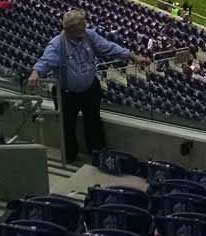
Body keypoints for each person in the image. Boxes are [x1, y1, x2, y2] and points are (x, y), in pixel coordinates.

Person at [27, 10, 139, 163]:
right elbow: (45, 61)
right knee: (67, 127)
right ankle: (70, 157)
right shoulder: (58, 44)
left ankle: (99, 156)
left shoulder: (89, 35)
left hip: (90, 89)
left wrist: (131, 56)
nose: (85, 27)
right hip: (66, 94)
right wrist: (36, 73)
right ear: (69, 29)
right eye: (81, 25)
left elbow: (109, 47)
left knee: (93, 122)